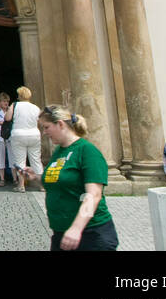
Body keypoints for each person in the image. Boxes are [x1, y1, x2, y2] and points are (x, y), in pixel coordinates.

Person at [21, 105, 118, 251]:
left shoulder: (87, 151)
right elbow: (60, 181)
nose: (44, 132)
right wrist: (36, 177)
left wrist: (76, 228)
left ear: (60, 124)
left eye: (46, 127)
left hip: (90, 234)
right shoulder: (59, 151)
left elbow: (94, 195)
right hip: (62, 233)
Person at [7, 86, 42, 192]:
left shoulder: (15, 105)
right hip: (34, 134)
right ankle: (42, 186)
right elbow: (39, 122)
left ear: (20, 95)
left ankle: (21, 185)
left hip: (18, 135)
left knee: (20, 161)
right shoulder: (35, 107)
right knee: (36, 160)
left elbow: (7, 118)